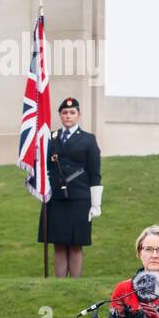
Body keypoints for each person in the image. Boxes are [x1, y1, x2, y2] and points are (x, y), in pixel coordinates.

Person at [40, 97, 102, 278]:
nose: (68, 116)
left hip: (80, 198)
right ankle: (59, 286)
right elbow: (45, 168)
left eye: (72, 112)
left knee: (76, 245)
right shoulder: (51, 138)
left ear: (79, 115)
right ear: (60, 115)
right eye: (65, 113)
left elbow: (95, 172)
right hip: (56, 198)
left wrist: (96, 204)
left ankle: (76, 284)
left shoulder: (88, 140)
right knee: (58, 244)